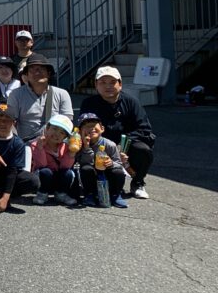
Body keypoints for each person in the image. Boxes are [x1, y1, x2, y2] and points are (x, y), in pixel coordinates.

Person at [79, 66, 155, 199]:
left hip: (125, 146)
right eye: (103, 82)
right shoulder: (89, 103)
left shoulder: (131, 102)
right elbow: (83, 128)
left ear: (120, 84)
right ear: (96, 85)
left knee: (143, 150)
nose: (108, 86)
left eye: (112, 82)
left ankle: (137, 182)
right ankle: (91, 184)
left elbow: (144, 129)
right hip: (98, 145)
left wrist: (122, 145)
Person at [7, 54, 73, 144]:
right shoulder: (16, 95)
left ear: (48, 73)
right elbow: (10, 123)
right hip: (27, 144)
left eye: (41, 69)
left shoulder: (62, 94)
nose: (37, 72)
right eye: (32, 69)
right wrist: (17, 144)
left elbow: (67, 123)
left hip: (54, 145)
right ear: (26, 75)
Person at [75, 112, 128, 208]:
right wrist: (86, 147)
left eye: (94, 125)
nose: (91, 129)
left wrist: (111, 163)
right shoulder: (78, 145)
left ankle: (115, 194)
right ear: (80, 131)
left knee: (118, 172)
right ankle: (90, 194)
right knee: (86, 169)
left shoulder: (110, 144)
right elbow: (85, 163)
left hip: (107, 175)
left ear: (102, 129)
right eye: (87, 126)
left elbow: (119, 164)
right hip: (91, 176)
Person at [31, 114, 78, 206]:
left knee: (68, 172)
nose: (57, 134)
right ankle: (42, 194)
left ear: (65, 137)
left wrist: (71, 154)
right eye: (55, 129)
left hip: (57, 179)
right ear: (47, 128)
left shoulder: (66, 147)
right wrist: (40, 148)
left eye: (62, 133)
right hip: (43, 179)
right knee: (45, 171)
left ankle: (61, 194)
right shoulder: (36, 144)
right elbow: (41, 165)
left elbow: (64, 167)